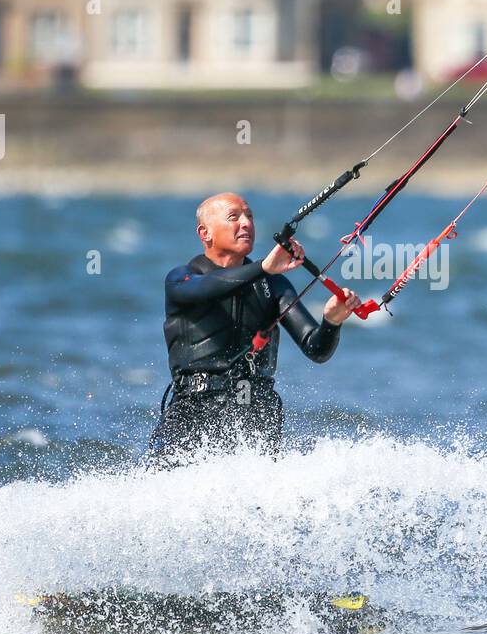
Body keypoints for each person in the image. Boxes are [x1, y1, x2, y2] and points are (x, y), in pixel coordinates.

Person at [147, 192, 360, 462]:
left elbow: (315, 349)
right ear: (205, 233)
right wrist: (264, 267)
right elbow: (208, 288)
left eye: (249, 216)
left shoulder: (273, 284)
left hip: (256, 413)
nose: (246, 223)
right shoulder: (182, 279)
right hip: (193, 411)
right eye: (234, 217)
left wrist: (332, 321)